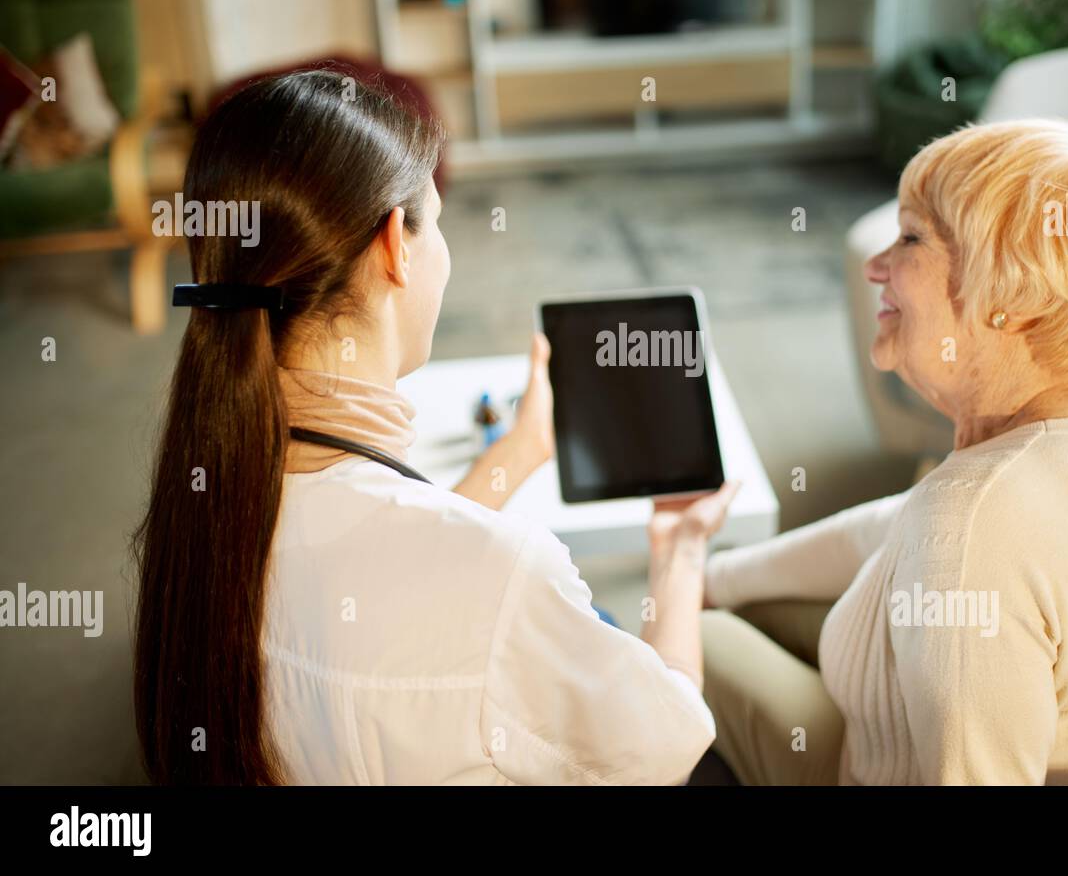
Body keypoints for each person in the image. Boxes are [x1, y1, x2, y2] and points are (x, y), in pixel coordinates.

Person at [132, 70, 737, 785]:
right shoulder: (510, 576)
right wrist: (681, 553)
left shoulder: (210, 492)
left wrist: (518, 455)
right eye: (438, 220)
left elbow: (389, 567)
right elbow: (668, 743)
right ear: (397, 244)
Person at [699, 119, 1068, 785]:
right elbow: (887, 528)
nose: (876, 266)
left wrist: (677, 586)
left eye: (911, 238)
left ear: (1014, 296)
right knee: (731, 598)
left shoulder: (971, 531)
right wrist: (715, 576)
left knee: (689, 636)